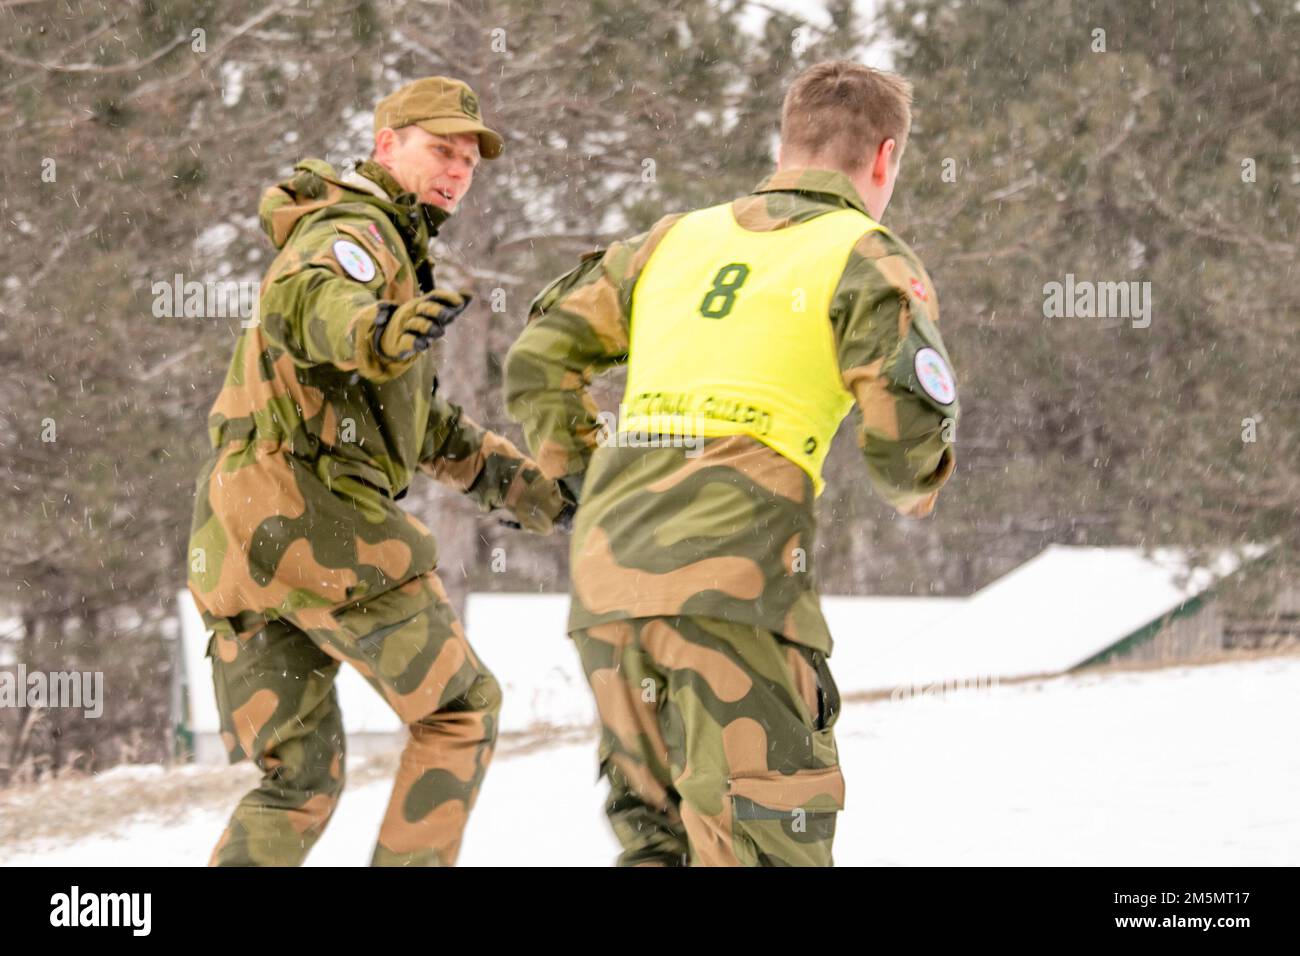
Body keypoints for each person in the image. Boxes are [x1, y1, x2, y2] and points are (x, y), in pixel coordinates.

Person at [504, 60, 959, 866]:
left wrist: (587, 480)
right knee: (766, 837)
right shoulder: (865, 254)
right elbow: (904, 440)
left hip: (610, 591)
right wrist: (918, 484)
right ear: (885, 159)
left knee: (657, 843)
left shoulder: (670, 243)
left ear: (786, 143)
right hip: (734, 588)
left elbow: (538, 358)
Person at [187, 76, 573, 867]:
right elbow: (308, 302)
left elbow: (423, 427)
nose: (457, 172)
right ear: (385, 143)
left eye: (469, 160)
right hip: (315, 517)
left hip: (236, 537)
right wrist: (377, 329)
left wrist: (545, 498)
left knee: (297, 780)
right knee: (460, 711)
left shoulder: (391, 248)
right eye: (440, 150)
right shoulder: (357, 230)